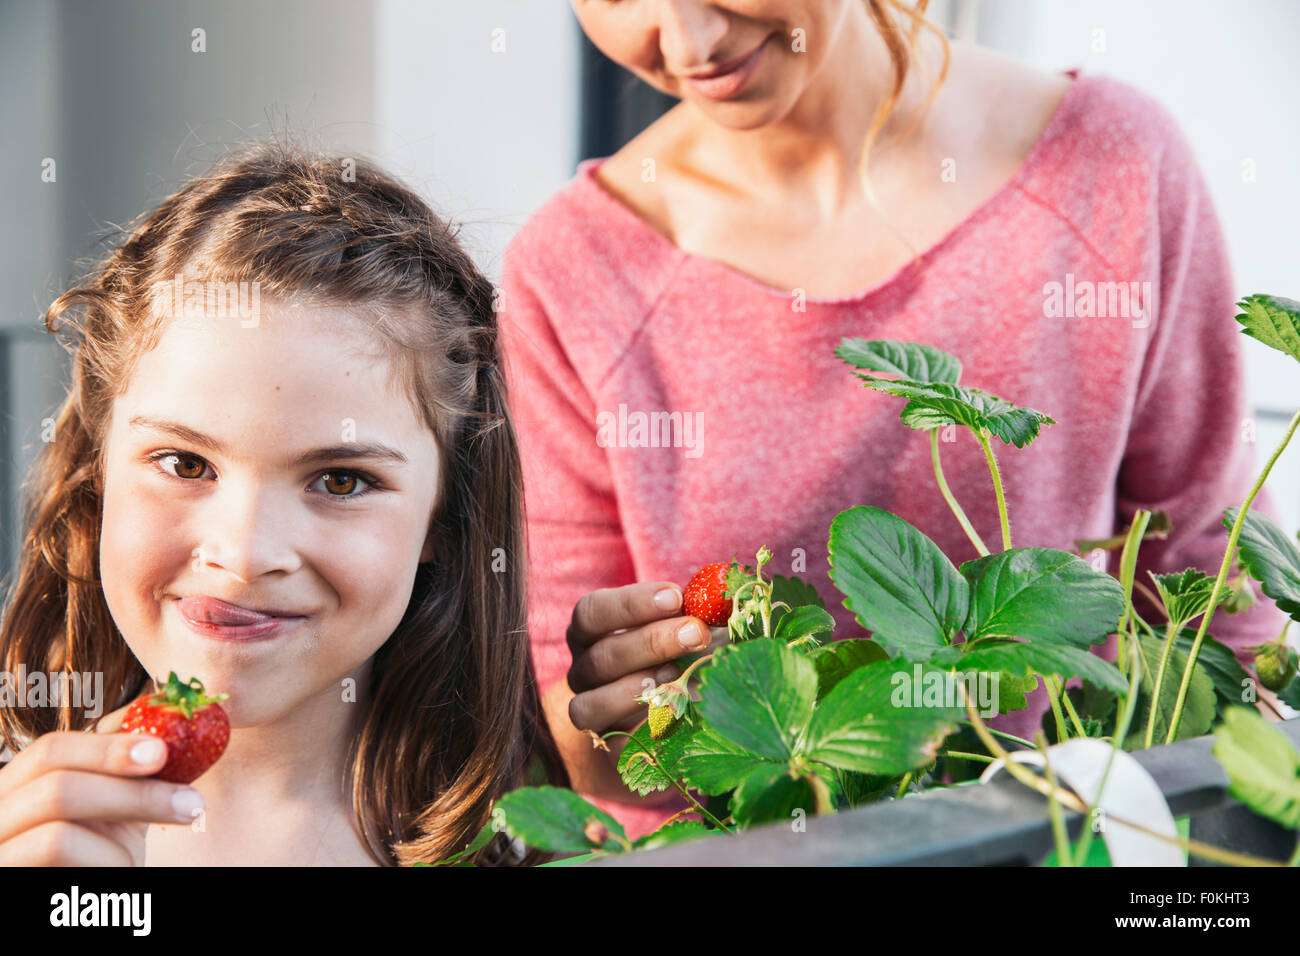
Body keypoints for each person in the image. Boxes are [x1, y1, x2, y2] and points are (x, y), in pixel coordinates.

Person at [498, 0, 1291, 838]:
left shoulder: (1113, 162)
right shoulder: (572, 270)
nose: (689, 42)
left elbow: (1211, 586)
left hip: (1064, 845)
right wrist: (640, 710)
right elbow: (569, 735)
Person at [0, 143, 567, 866]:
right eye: (185, 463)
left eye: (339, 481)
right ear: (98, 468)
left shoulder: (544, 839)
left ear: (445, 515)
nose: (242, 555)